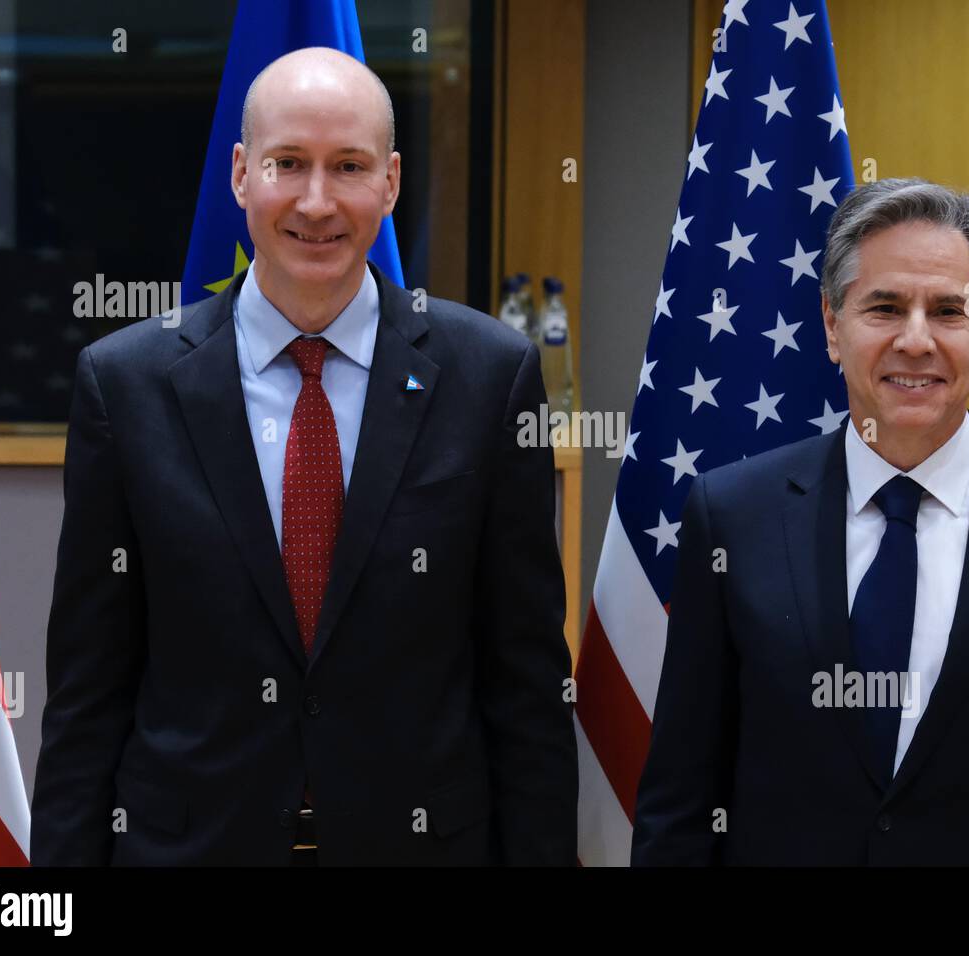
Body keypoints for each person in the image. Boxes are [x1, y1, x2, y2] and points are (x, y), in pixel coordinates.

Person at [31, 47, 576, 866]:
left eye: (348, 166)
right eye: (289, 163)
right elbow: (87, 697)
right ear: (242, 174)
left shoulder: (489, 379)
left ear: (390, 183)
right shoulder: (125, 385)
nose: (316, 202)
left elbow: (525, 687)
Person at [632, 178, 969, 866]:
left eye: (947, 311)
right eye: (884, 307)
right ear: (831, 326)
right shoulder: (731, 516)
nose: (916, 340)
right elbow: (680, 805)